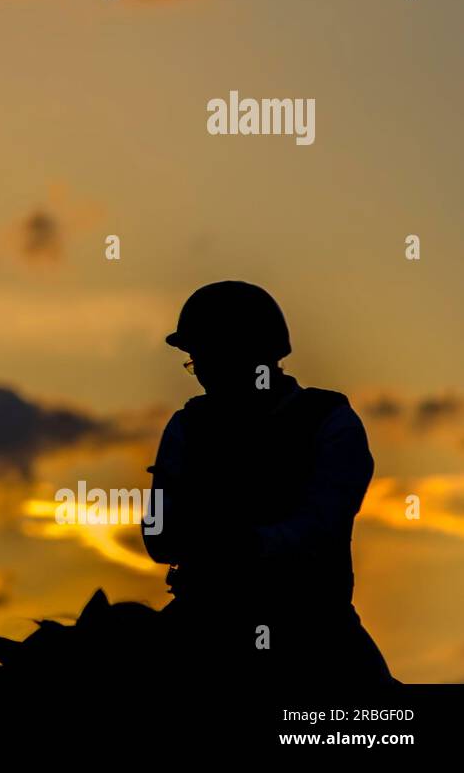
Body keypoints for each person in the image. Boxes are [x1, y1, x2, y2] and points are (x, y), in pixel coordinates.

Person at [143, 281, 392, 686]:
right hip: (200, 620)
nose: (202, 373)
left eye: (210, 358)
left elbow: (320, 526)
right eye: (196, 361)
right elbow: (158, 536)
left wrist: (240, 544)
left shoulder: (330, 423)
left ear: (254, 356)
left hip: (312, 628)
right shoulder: (186, 427)